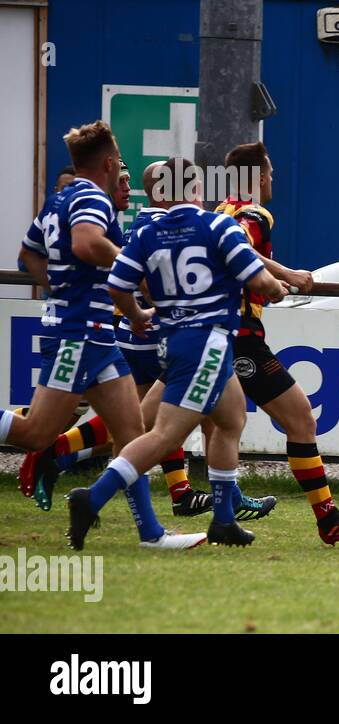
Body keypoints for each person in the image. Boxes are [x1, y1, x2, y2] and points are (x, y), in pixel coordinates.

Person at [2, 121, 204, 550]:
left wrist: (125, 309)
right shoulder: (92, 196)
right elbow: (87, 244)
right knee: (37, 434)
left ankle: (151, 534)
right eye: (121, 168)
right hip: (79, 335)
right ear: (109, 163)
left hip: (98, 336)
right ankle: (150, 531)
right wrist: (134, 271)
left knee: (131, 436)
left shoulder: (59, 199)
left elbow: (28, 255)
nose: (122, 176)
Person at [69, 156, 290, 549]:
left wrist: (138, 316)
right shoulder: (218, 225)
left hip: (180, 342)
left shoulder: (146, 234)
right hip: (207, 341)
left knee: (230, 419)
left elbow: (120, 284)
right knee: (163, 434)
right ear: (196, 189)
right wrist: (276, 288)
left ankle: (223, 520)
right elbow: (255, 276)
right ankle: (93, 497)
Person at [213, 141, 339, 544]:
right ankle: (327, 519)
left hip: (217, 331)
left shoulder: (221, 210)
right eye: (269, 172)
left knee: (186, 422)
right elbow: (239, 249)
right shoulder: (253, 213)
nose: (273, 180)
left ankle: (223, 517)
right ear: (257, 178)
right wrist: (286, 274)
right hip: (242, 338)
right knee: (300, 419)